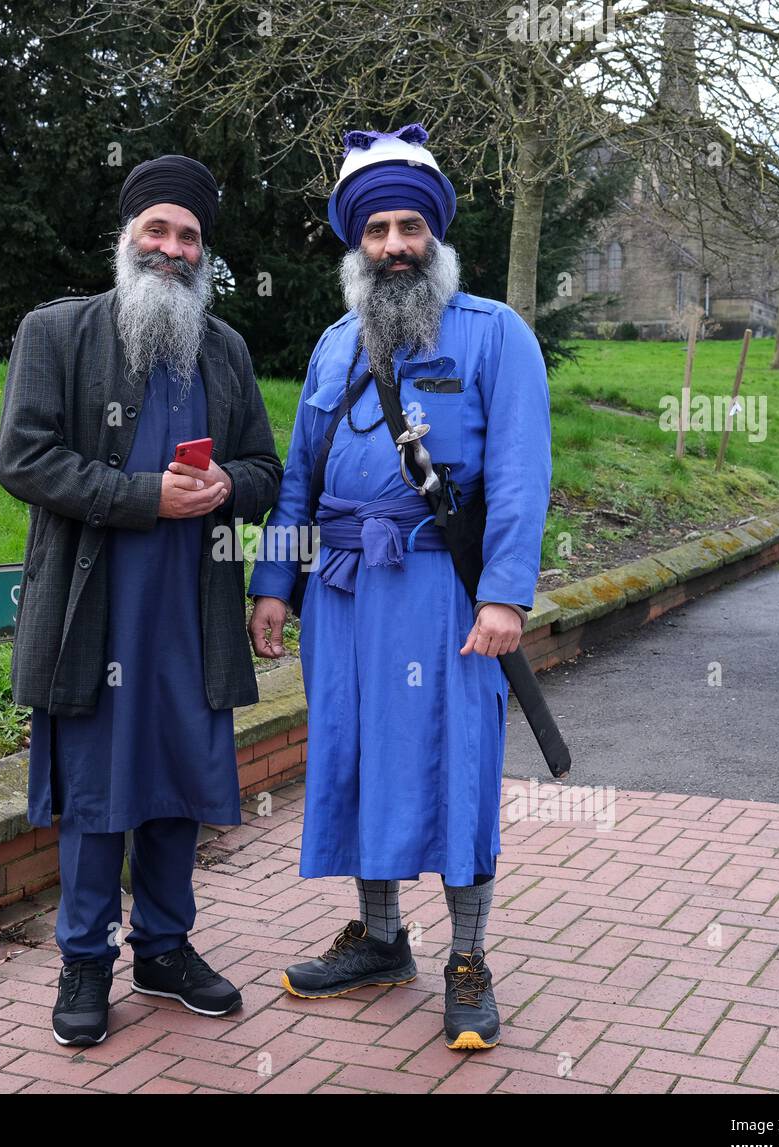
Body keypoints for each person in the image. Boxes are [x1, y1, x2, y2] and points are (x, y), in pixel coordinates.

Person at [246, 123, 552, 1051]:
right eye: (375, 230)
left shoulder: (496, 335)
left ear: (435, 237)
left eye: (408, 229)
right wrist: (273, 584)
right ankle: (381, 941)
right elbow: (298, 475)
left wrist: (504, 593)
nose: (392, 246)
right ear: (356, 241)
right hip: (341, 596)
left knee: (456, 763)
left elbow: (520, 472)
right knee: (355, 757)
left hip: (442, 596)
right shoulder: (334, 347)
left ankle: (467, 957)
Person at [0, 154, 282, 1047]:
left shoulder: (225, 349)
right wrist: (142, 496)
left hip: (189, 616)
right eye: (155, 231)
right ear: (125, 239)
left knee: (176, 786)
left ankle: (164, 947)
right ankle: (86, 959)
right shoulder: (57, 333)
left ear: (204, 252)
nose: (171, 249)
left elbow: (266, 469)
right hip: (93, 613)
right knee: (93, 796)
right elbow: (25, 459)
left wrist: (222, 489)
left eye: (188, 236)